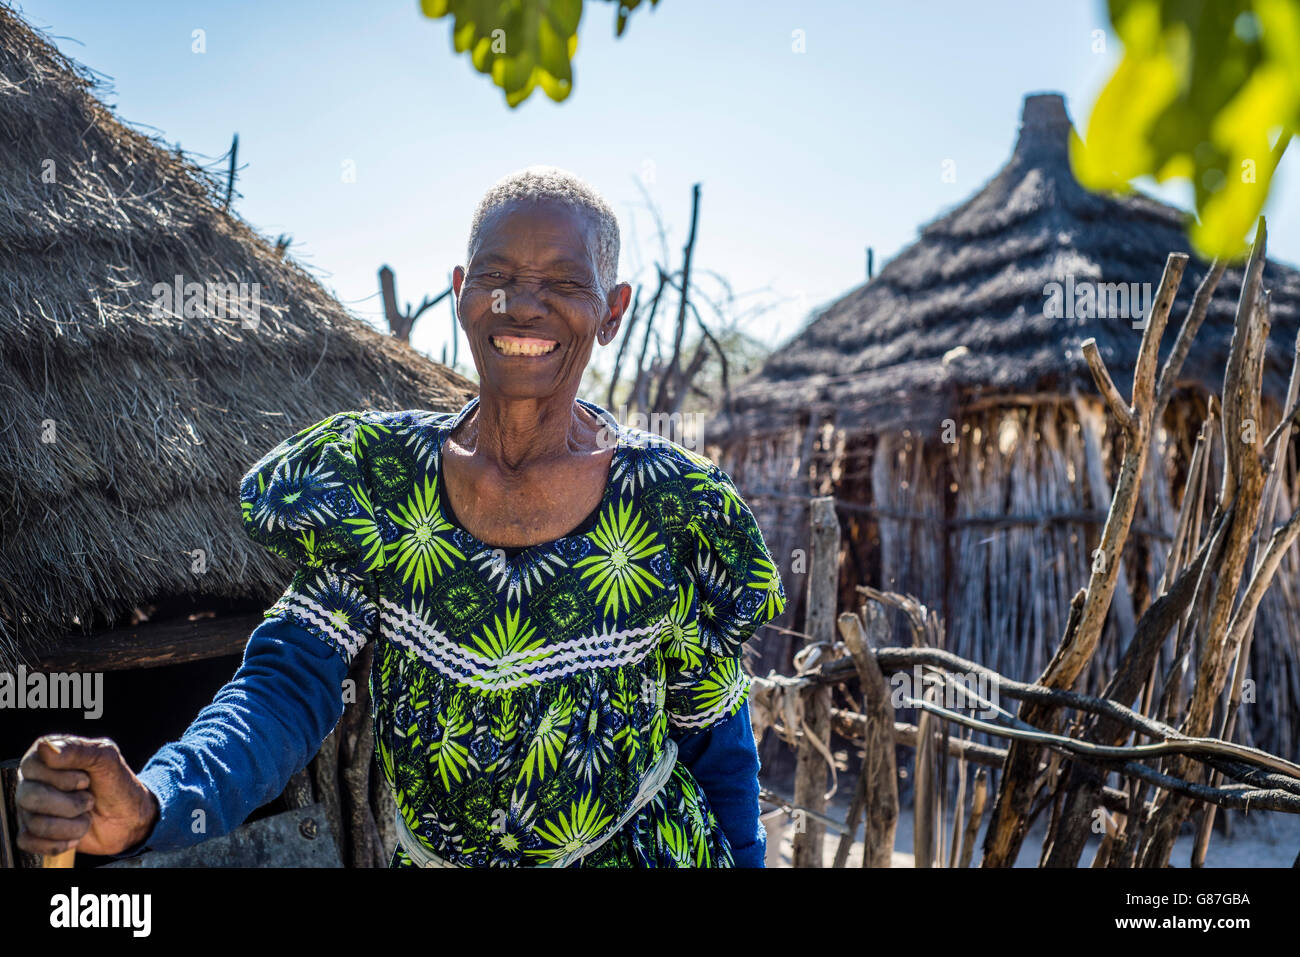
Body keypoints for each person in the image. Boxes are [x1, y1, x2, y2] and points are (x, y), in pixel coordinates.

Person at [16, 166, 786, 868]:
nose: (523, 303)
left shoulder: (675, 506)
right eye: (497, 275)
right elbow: (285, 683)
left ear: (612, 310)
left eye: (564, 281)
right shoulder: (382, 481)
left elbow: (716, 737)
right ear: (460, 290)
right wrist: (158, 800)